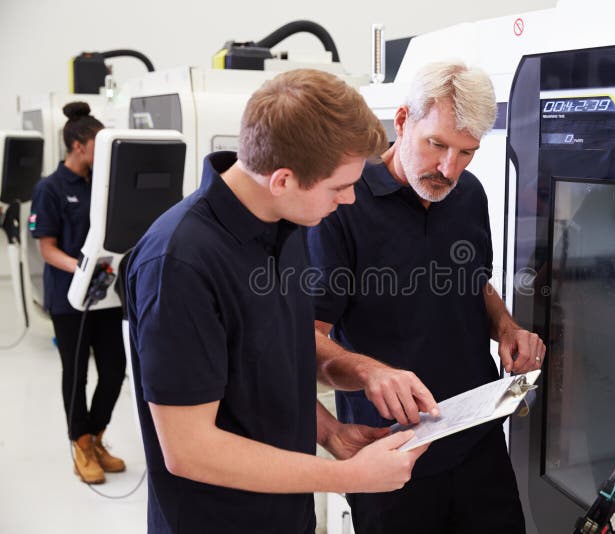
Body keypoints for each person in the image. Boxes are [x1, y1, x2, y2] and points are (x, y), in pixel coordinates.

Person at [125, 69, 428, 534]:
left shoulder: (286, 226)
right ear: (283, 179)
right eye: (339, 187)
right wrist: (346, 477)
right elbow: (189, 450)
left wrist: (331, 432)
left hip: (286, 514)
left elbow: (268, 364)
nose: (349, 200)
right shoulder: (179, 264)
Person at [307, 61, 547, 533]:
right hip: (392, 452)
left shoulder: (469, 195)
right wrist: (371, 373)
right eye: (436, 144)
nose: (448, 168)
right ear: (401, 121)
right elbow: (304, 336)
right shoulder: (344, 206)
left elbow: (473, 280)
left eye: (466, 152)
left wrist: (506, 327)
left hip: (477, 442)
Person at [30, 102, 127, 484]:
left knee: (114, 370)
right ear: (77, 145)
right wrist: (82, 269)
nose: (101, 151)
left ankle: (97, 435)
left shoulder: (99, 186)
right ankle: (81, 443)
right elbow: (46, 247)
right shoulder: (50, 188)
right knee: (76, 375)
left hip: (104, 293)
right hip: (68, 298)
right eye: (96, 143)